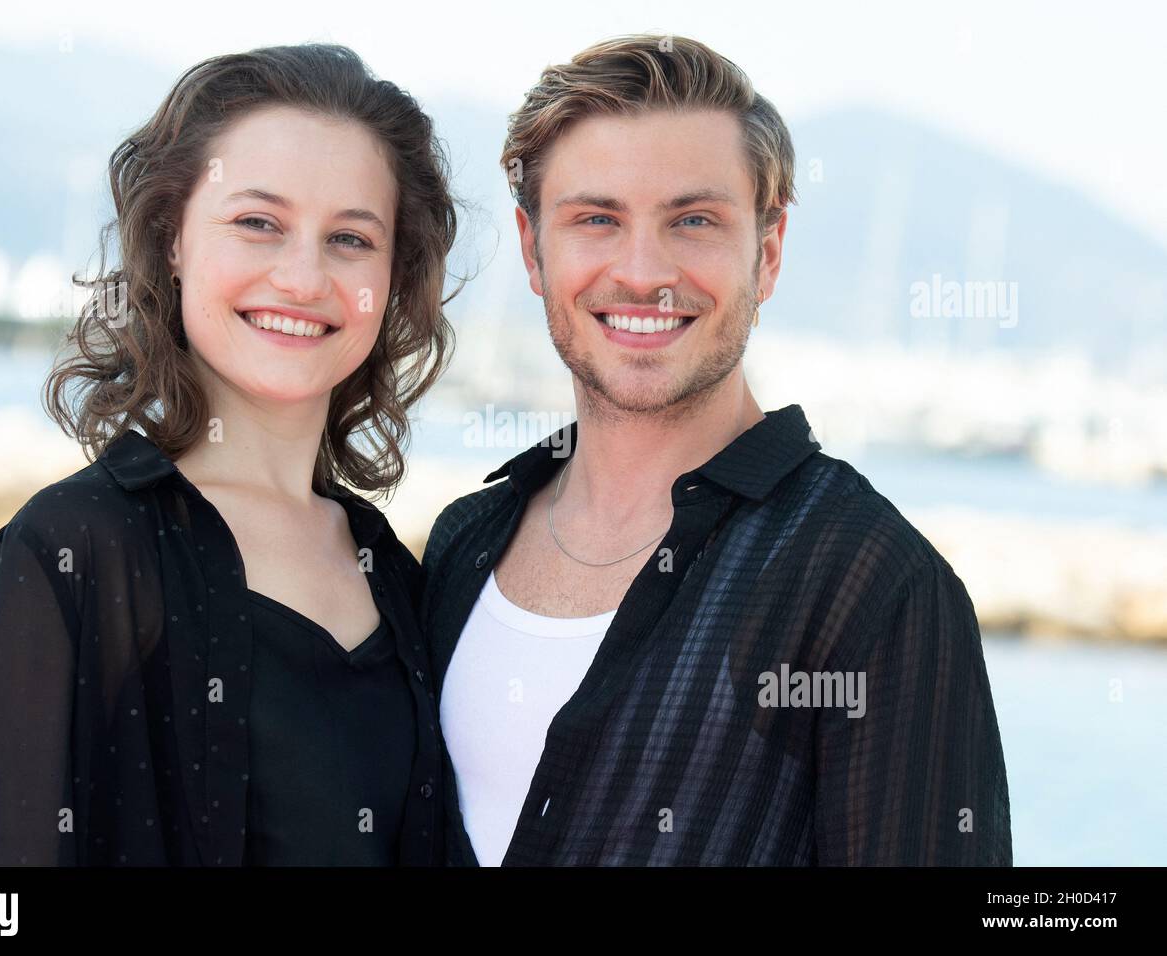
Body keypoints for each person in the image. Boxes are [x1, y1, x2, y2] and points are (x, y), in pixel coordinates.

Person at [421, 34, 1012, 866]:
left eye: (693, 221)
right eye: (597, 219)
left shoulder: (871, 584)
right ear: (532, 250)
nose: (643, 272)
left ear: (766, 256)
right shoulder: (463, 541)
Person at [0, 44, 458, 866]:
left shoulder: (397, 575)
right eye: (258, 223)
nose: (302, 276)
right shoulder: (71, 554)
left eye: (351, 238)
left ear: (395, 277)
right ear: (172, 238)